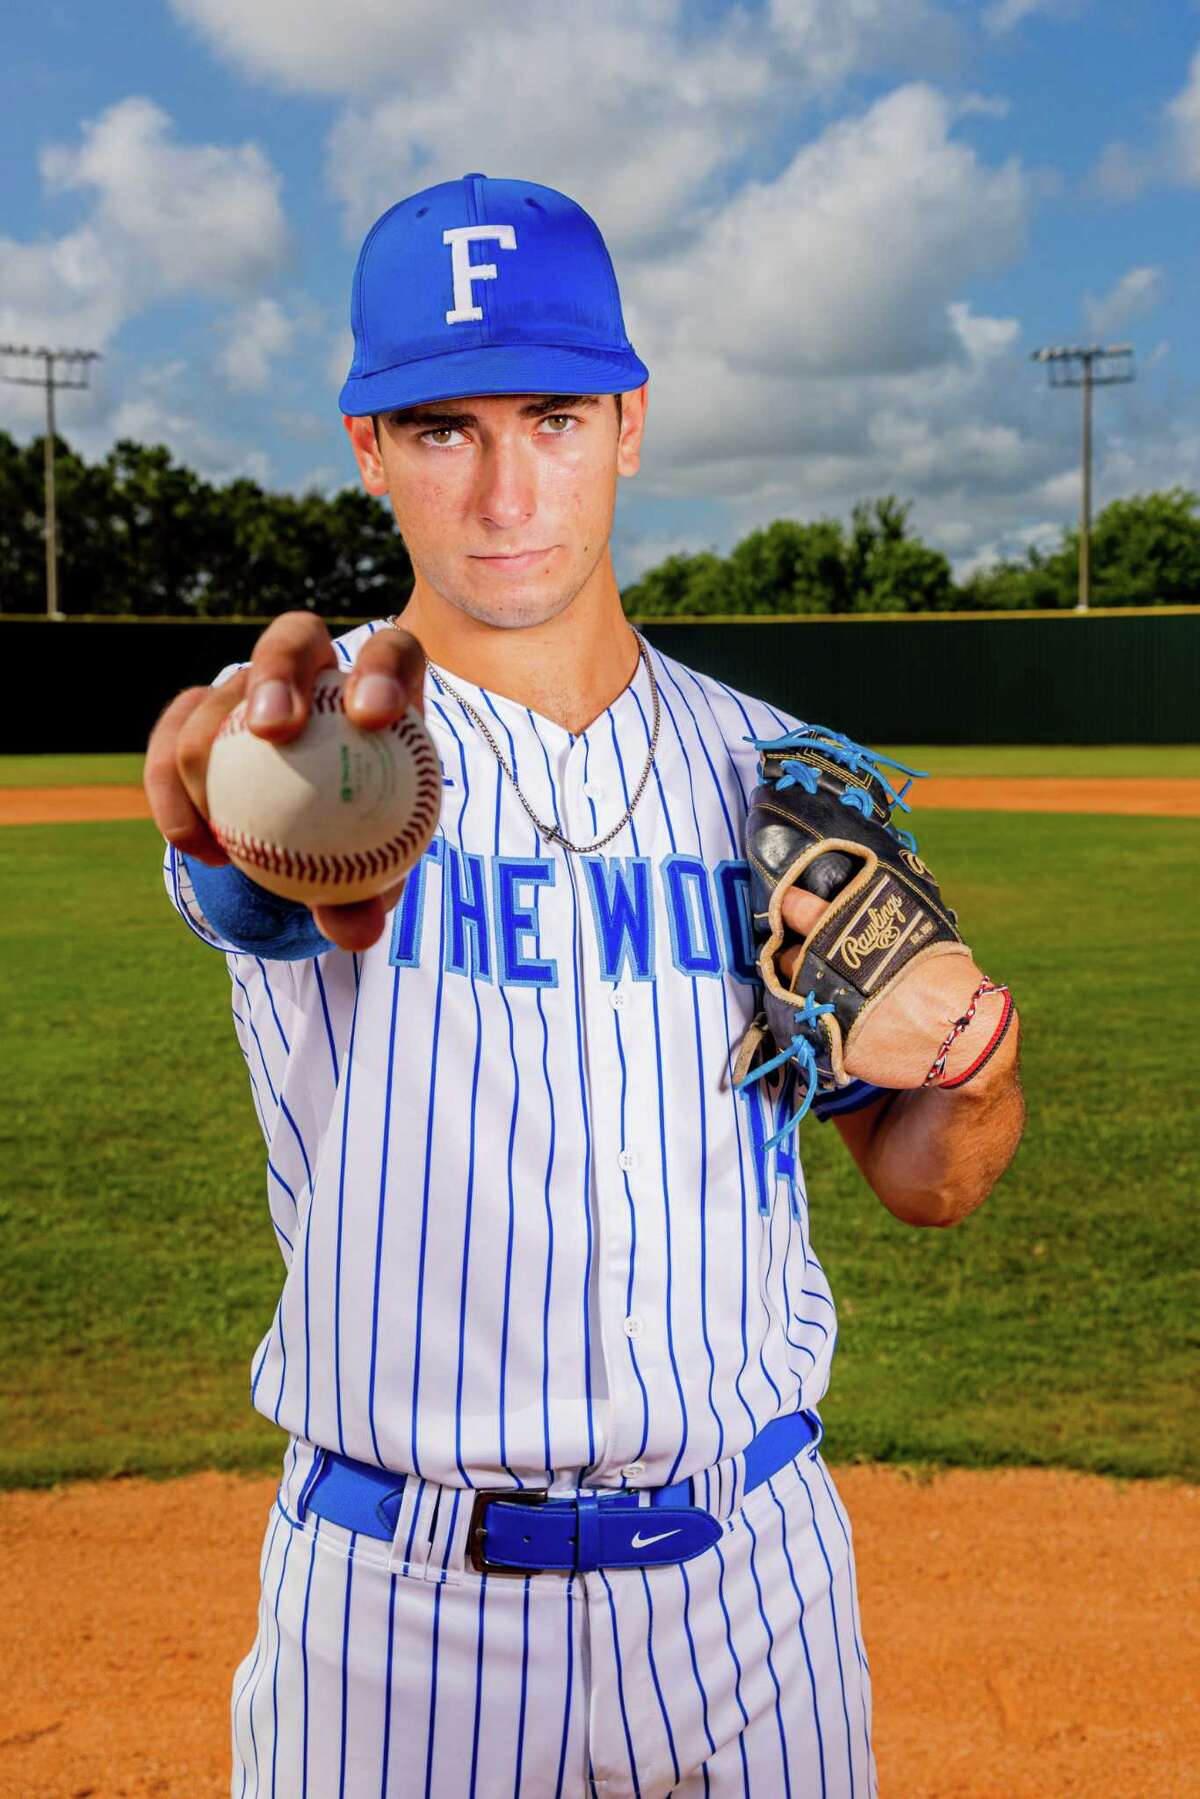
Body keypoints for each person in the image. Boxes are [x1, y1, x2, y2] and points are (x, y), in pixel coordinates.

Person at [144, 173, 1023, 1799]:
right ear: (369, 449)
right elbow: (233, 855)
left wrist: (975, 1054)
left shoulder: (768, 773)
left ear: (627, 421)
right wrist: (221, 800)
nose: (501, 492)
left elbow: (927, 1177)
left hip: (752, 1595)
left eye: (548, 417)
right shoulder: (315, 752)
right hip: (402, 1625)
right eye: (439, 430)